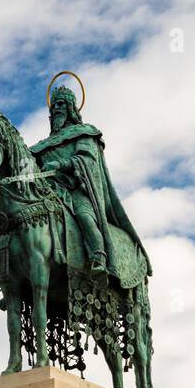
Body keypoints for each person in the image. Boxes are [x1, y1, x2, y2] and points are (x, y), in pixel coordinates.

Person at [30, 85, 151, 280]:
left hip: (76, 189)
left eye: (61, 104)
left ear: (71, 108)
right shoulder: (40, 147)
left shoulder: (84, 132)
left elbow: (86, 160)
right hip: (47, 191)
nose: (56, 108)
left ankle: (99, 256)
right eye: (54, 106)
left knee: (84, 216)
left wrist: (60, 164)